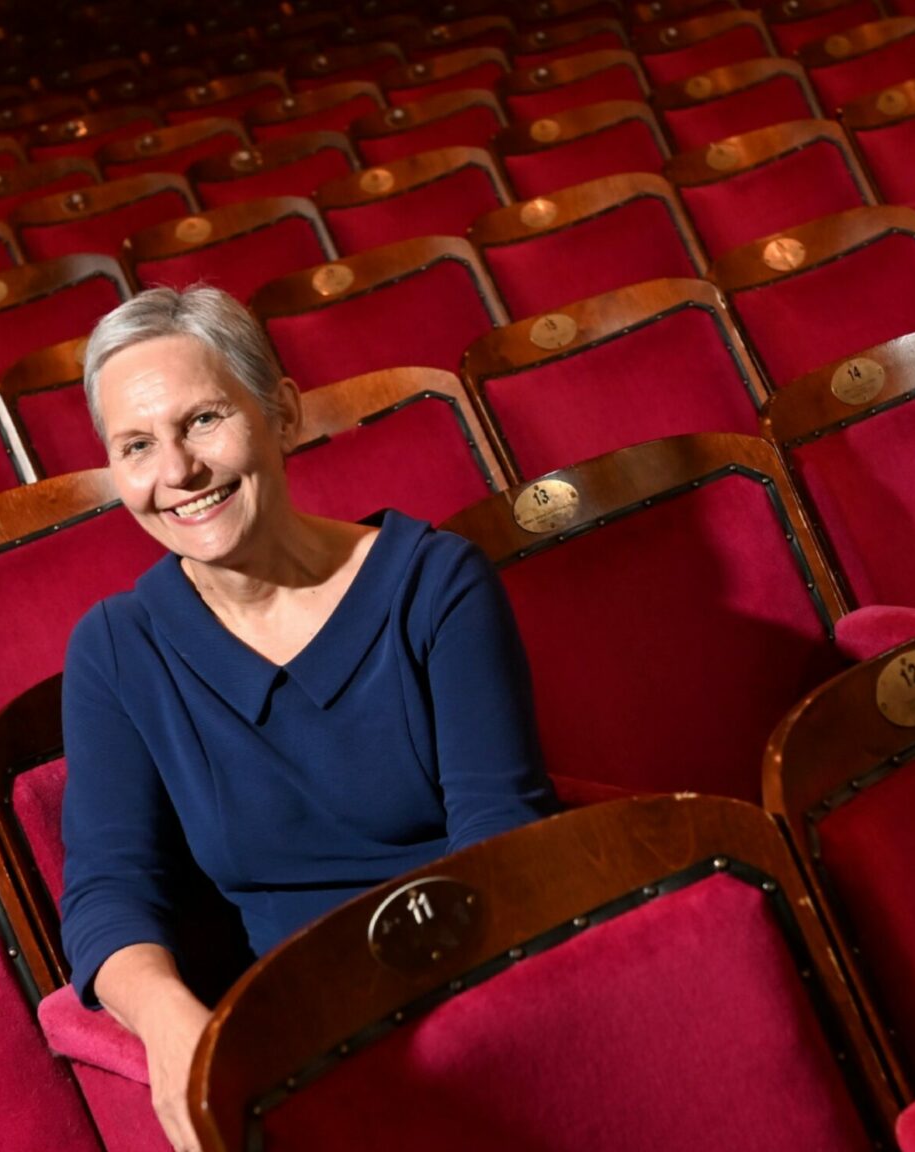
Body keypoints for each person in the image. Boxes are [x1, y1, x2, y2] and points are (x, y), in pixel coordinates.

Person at [59, 286, 557, 1150]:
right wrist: (175, 1025)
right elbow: (108, 891)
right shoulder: (115, 647)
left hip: (479, 982)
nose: (176, 473)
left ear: (282, 413)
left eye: (204, 420)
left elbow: (502, 837)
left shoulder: (434, 584)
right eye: (137, 445)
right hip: (291, 1046)